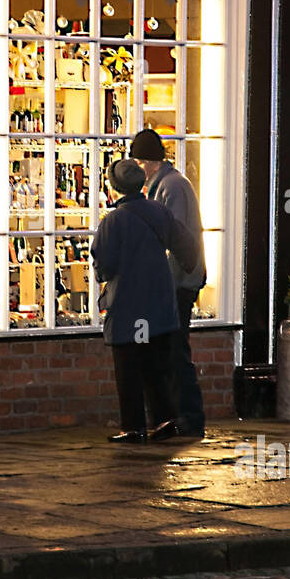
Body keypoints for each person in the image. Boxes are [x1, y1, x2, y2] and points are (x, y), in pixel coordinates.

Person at [92, 158, 201, 444]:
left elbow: (104, 263)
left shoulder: (113, 221)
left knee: (128, 367)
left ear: (114, 189)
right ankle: (165, 420)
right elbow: (186, 245)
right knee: (157, 365)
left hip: (129, 303)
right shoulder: (159, 212)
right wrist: (188, 273)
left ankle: (133, 426)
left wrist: (103, 275)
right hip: (159, 301)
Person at [130, 128, 207, 439]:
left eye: (137, 162)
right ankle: (180, 416)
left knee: (175, 350)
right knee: (171, 349)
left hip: (178, 281)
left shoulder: (171, 188)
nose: (137, 169)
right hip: (176, 279)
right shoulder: (169, 184)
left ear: (148, 162)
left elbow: (171, 234)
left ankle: (189, 416)